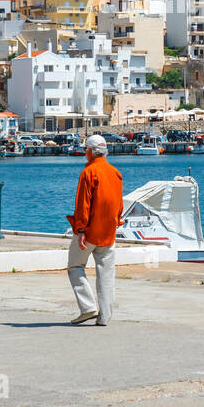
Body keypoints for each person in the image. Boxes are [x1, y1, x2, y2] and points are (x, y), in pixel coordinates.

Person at [67, 133, 124, 325]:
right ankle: (105, 316)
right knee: (107, 275)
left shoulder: (88, 173)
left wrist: (81, 230)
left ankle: (88, 307)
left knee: (75, 267)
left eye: (86, 150)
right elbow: (119, 205)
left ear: (91, 152)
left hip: (89, 232)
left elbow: (83, 204)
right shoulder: (115, 173)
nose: (85, 153)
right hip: (109, 232)